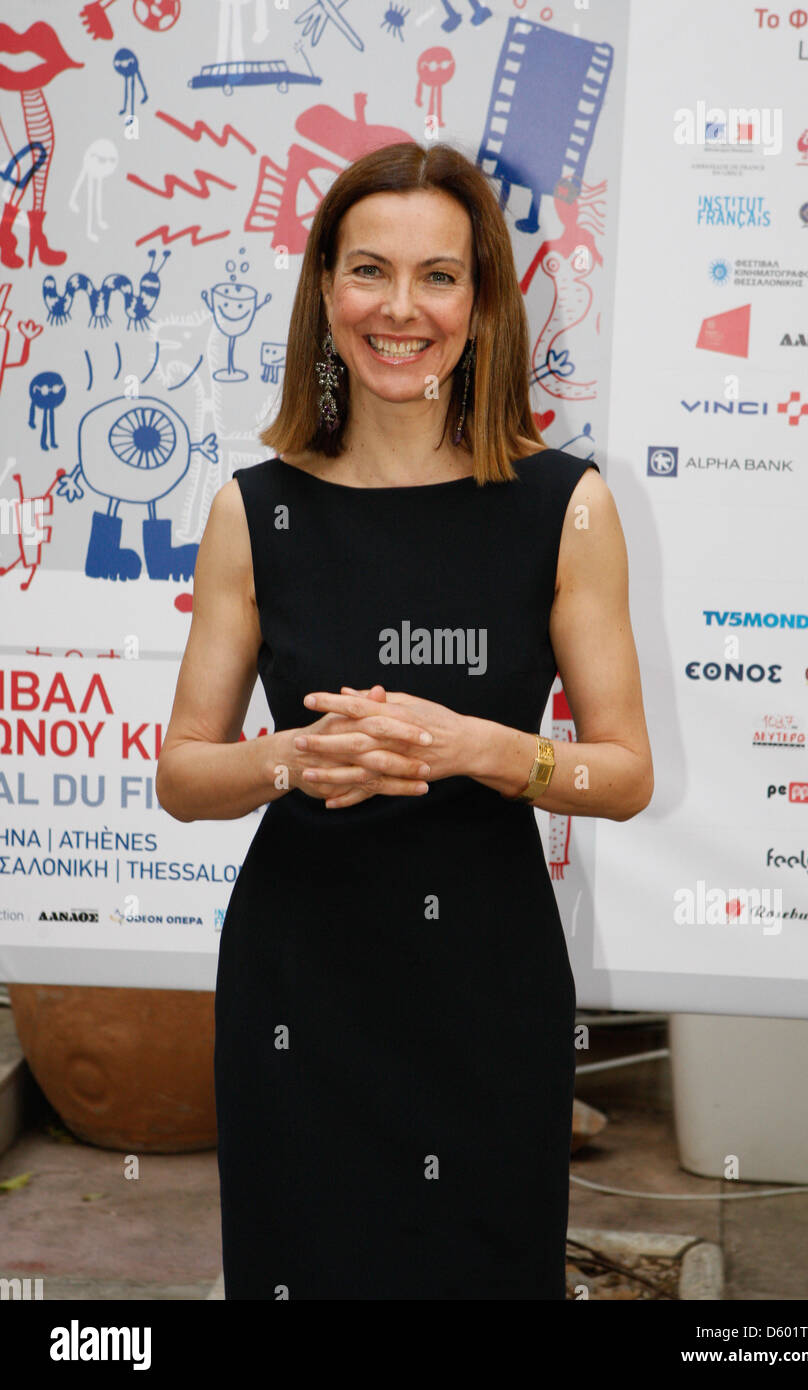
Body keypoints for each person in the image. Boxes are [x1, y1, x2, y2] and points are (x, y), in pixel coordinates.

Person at [155, 141, 654, 1301]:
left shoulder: (564, 506)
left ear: (480, 307)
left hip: (483, 983)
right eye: (369, 270)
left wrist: (473, 747)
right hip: (300, 982)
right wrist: (287, 759)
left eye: (438, 276)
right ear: (324, 293)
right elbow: (184, 775)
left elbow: (623, 773)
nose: (400, 307)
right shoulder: (253, 509)